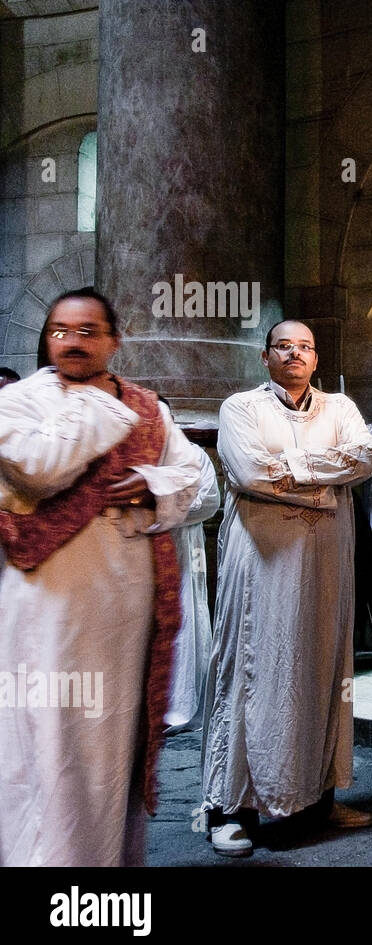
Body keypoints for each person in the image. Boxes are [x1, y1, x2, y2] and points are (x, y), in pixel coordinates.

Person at [0, 288, 207, 865]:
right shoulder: (19, 400)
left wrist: (151, 482)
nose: (73, 341)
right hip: (50, 598)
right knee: (49, 740)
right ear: (47, 338)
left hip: (126, 602)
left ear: (116, 340)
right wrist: (99, 402)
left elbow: (196, 480)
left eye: (89, 330)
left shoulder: (148, 407)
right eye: (62, 330)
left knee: (109, 738)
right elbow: (41, 469)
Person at [202, 319, 372, 856]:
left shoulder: (341, 409)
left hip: (325, 566)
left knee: (319, 672)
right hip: (262, 565)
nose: (295, 354)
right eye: (284, 346)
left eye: (305, 347)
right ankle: (230, 810)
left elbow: (363, 459)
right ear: (266, 357)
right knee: (254, 672)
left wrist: (293, 471)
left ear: (316, 359)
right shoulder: (240, 408)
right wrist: (324, 488)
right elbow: (252, 472)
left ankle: (315, 799)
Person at [165, 429, 220, 733]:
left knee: (185, 615)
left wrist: (156, 507)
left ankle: (182, 703)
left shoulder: (194, 455)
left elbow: (208, 501)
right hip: (140, 553)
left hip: (185, 548)